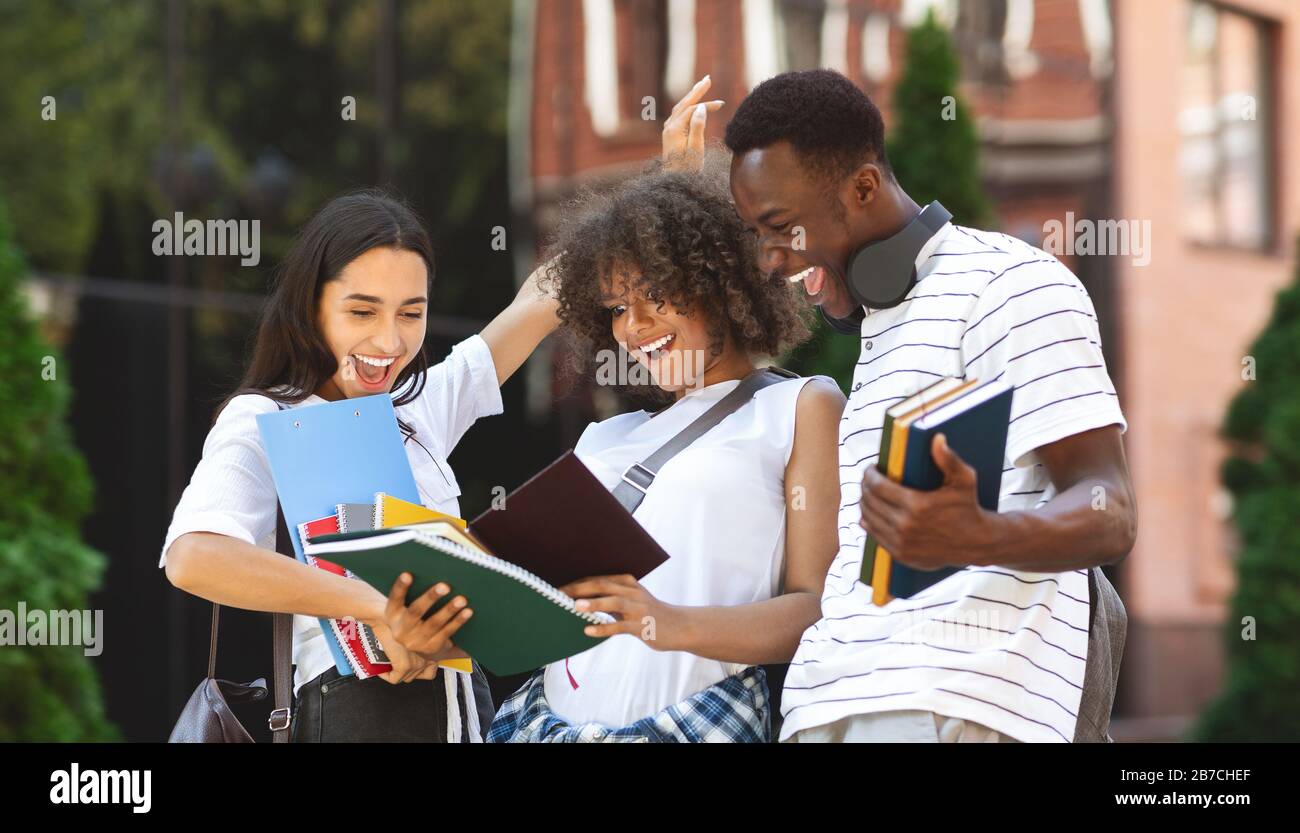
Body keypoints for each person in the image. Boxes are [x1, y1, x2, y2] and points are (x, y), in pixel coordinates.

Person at [669, 69, 1135, 742]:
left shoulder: (1011, 283)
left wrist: (981, 535)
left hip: (949, 705)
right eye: (754, 233)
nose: (770, 260)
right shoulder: (880, 339)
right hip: (823, 710)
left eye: (780, 227)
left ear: (862, 187)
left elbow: (1110, 509)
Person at [388, 164, 845, 742]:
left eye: (656, 293)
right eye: (615, 307)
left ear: (721, 280)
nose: (634, 325)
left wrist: (667, 623)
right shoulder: (604, 438)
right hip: (548, 725)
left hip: (691, 724)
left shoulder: (800, 407)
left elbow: (815, 609)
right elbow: (538, 604)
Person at [160, 189, 559, 742]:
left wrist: (663, 188)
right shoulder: (266, 416)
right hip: (355, 714)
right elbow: (194, 557)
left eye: (411, 313)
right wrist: (376, 608)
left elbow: (545, 295)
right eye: (362, 311)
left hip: (464, 710)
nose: (389, 340)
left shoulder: (415, 409)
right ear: (311, 305)